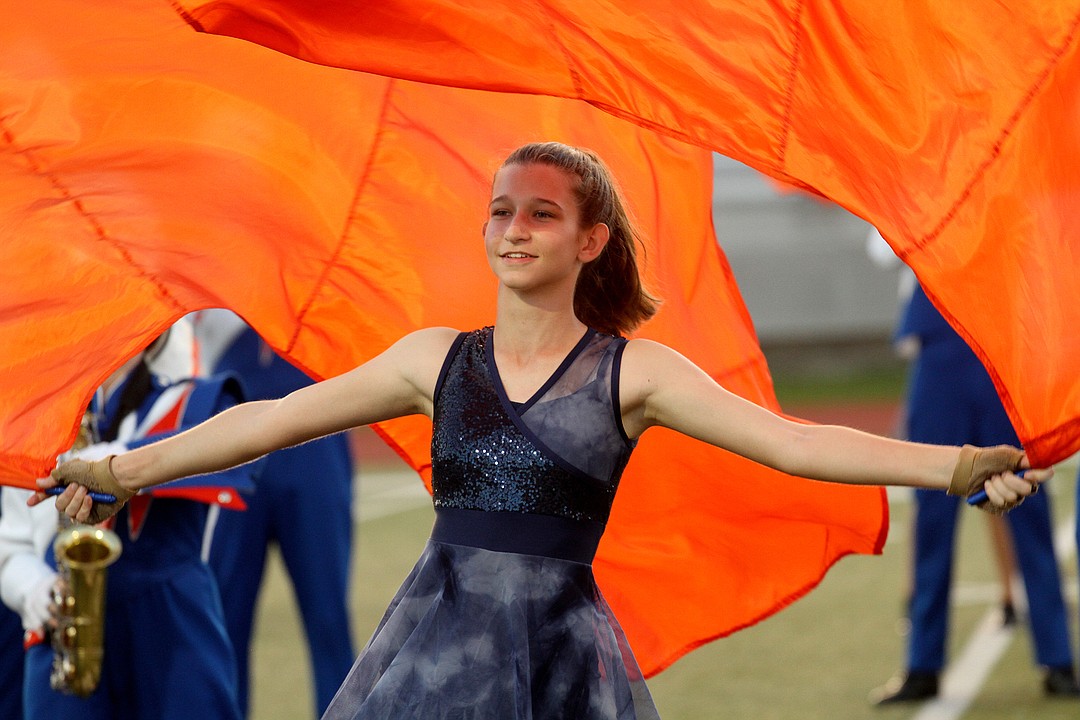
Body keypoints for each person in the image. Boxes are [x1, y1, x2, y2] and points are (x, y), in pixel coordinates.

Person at [37, 142, 1050, 720]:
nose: (514, 229)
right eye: (500, 212)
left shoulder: (633, 372)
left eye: (542, 215)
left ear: (590, 239)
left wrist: (957, 464)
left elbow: (797, 443)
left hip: (562, 657)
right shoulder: (431, 359)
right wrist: (122, 466)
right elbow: (268, 421)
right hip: (430, 646)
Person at [0, 320, 261, 719]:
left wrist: (110, 460)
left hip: (172, 634)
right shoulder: (34, 422)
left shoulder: (193, 401)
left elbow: (239, 461)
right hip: (65, 630)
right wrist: (33, 591)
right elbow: (11, 545)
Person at [869, 282, 1078, 704]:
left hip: (1005, 353)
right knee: (931, 512)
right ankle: (922, 664)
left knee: (1029, 503)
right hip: (942, 356)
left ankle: (1059, 658)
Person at [193, 309, 357, 718]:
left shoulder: (325, 271)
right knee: (222, 622)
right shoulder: (212, 265)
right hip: (229, 453)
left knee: (328, 619)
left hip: (318, 450)